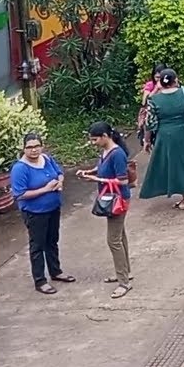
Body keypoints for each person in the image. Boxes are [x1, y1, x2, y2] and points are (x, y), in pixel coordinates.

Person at [10, 132, 76, 294]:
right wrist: (45, 189)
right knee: (37, 245)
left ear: (42, 146)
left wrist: (59, 182)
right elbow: (20, 194)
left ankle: (56, 271)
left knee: (52, 241)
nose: (34, 150)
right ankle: (40, 280)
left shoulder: (47, 159)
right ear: (23, 149)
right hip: (35, 212)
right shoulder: (20, 168)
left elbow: (59, 172)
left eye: (36, 146)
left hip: (53, 208)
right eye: (29, 147)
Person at [139, 68, 184, 210]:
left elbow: (150, 123)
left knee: (177, 165)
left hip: (167, 136)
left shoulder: (154, 100)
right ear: (176, 80)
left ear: (160, 82)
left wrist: (147, 141)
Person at [75, 122, 133, 298]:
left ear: (105, 136)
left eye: (95, 139)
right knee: (120, 236)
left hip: (118, 199)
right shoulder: (107, 151)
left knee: (113, 241)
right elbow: (104, 169)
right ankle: (125, 272)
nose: (93, 142)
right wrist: (90, 172)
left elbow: (122, 180)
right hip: (111, 198)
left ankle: (124, 282)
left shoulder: (117, 154)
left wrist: (97, 179)